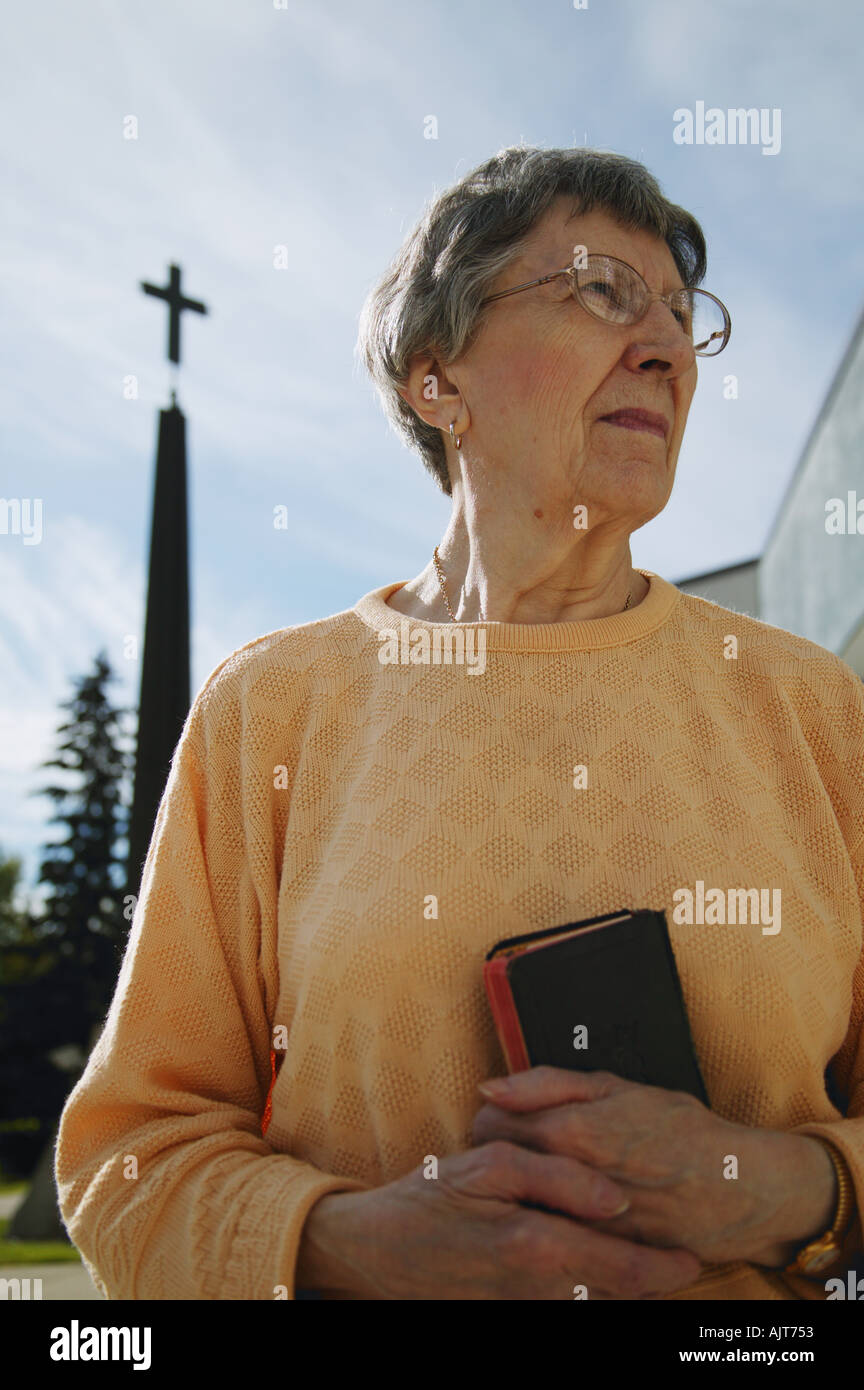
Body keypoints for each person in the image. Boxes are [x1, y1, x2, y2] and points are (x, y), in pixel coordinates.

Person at [55, 145, 864, 1300]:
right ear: (436, 378)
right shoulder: (269, 711)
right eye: (599, 290)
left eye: (686, 317)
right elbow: (130, 1155)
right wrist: (342, 1241)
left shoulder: (817, 708)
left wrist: (798, 1186)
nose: (669, 348)